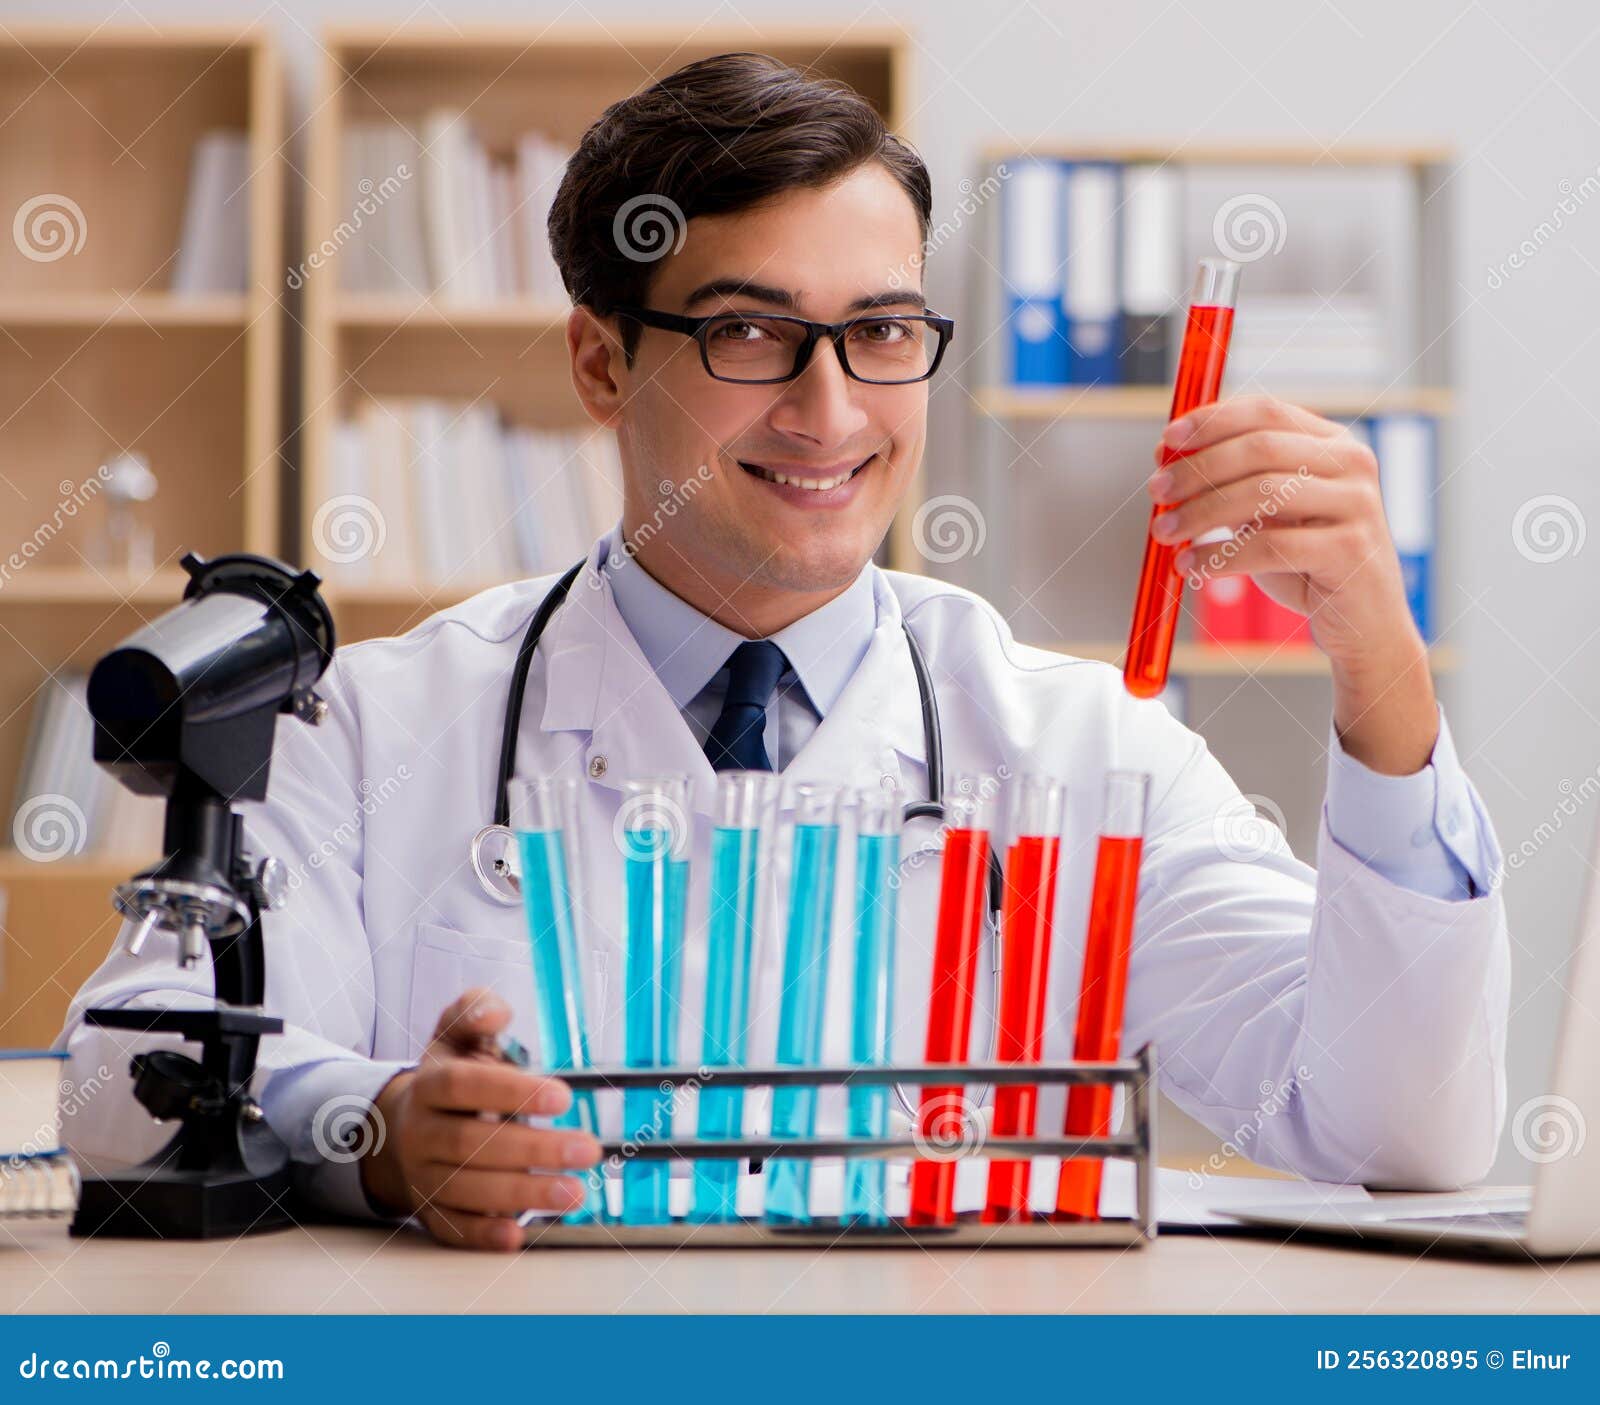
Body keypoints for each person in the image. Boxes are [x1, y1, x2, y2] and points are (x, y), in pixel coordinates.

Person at [58, 52, 1508, 1252]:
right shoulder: (374, 721)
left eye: (880, 331)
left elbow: (1400, 1132)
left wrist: (1380, 671)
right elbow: (132, 1073)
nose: (830, 413)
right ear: (601, 361)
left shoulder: (1079, 743)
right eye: (754, 334)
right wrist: (377, 1130)